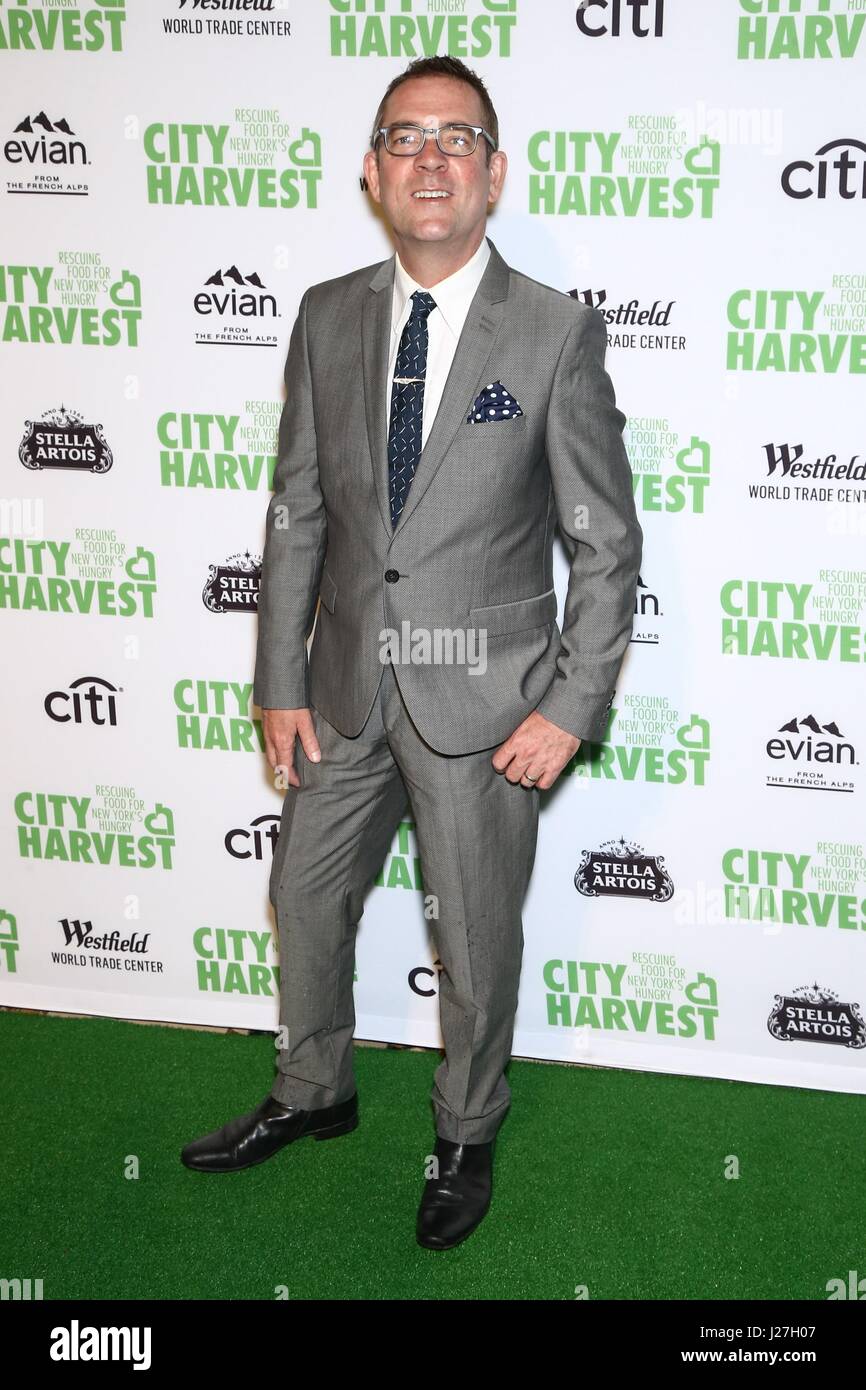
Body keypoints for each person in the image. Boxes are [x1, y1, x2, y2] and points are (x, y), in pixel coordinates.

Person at [181, 54, 643, 1251]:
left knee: (475, 934)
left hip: (489, 703)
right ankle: (313, 1089)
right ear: (372, 174)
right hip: (341, 692)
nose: (429, 158)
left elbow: (603, 544)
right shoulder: (327, 315)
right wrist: (278, 680)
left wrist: (569, 704)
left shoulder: (552, 333)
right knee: (304, 892)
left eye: (455, 138)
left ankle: (464, 1128)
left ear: (491, 173)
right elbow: (296, 513)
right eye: (404, 137)